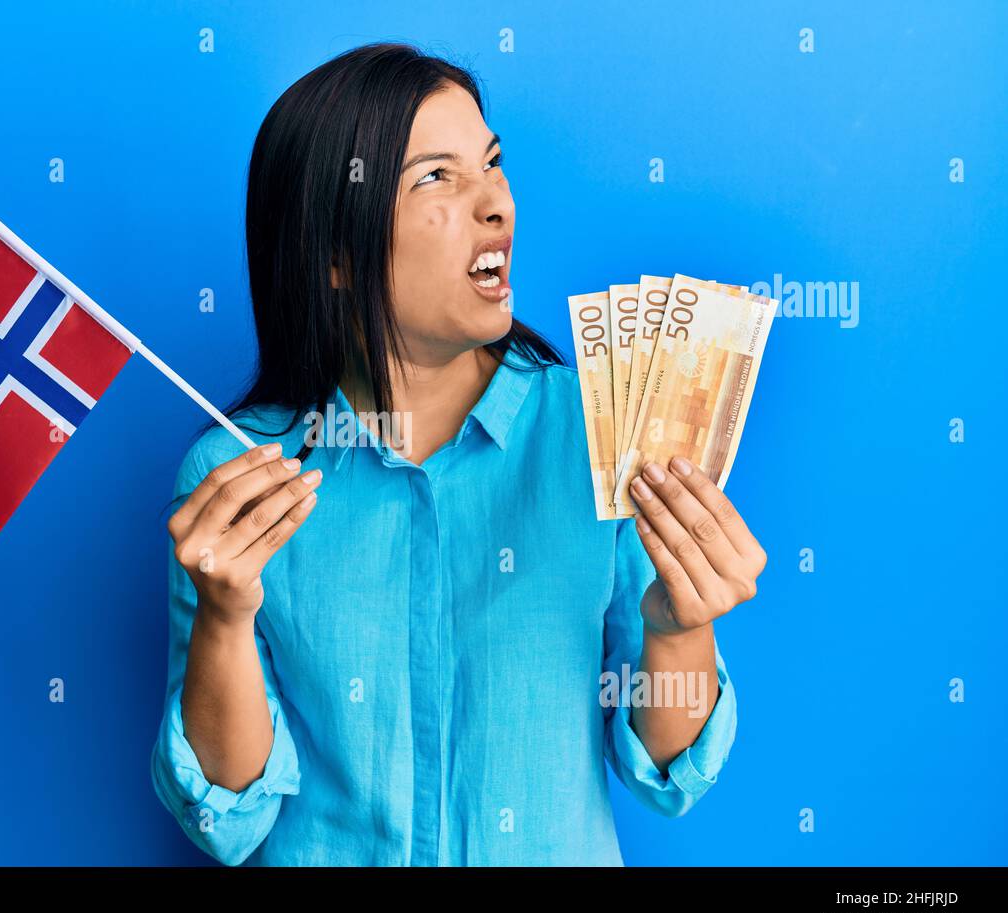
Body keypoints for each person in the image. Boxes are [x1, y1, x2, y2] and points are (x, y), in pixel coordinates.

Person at [149, 42, 766, 866]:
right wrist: (225, 618)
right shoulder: (236, 476)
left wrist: (679, 629)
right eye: (436, 177)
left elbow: (664, 772)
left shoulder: (604, 430)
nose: (497, 206)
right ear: (335, 254)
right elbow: (229, 816)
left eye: (493, 164)